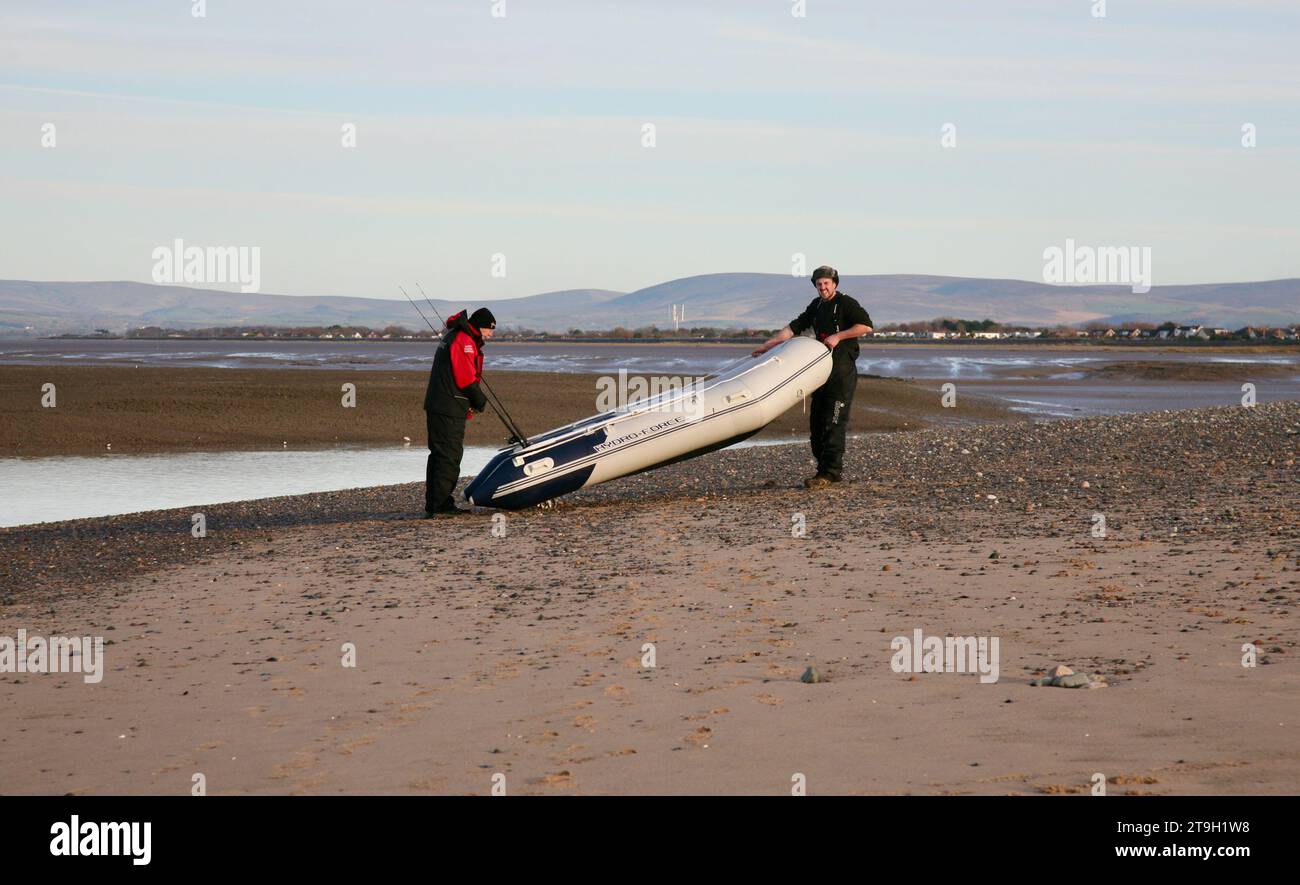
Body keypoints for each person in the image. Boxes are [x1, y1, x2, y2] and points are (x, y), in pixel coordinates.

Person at [752, 266, 872, 488]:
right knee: (817, 425)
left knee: (834, 423)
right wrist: (768, 345)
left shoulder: (846, 303)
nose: (823, 287)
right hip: (820, 373)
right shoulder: (816, 306)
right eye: (819, 284)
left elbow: (865, 326)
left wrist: (839, 336)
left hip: (841, 373)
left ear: (834, 284)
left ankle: (829, 473)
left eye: (827, 283)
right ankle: (823, 469)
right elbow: (793, 328)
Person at [422, 307, 496, 516]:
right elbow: (465, 379)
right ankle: (440, 506)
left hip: (442, 404)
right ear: (479, 326)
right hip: (448, 407)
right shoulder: (462, 339)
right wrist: (480, 400)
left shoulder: (455, 335)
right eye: (489, 330)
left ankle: (436, 503)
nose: (490, 334)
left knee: (440, 455)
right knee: (448, 456)